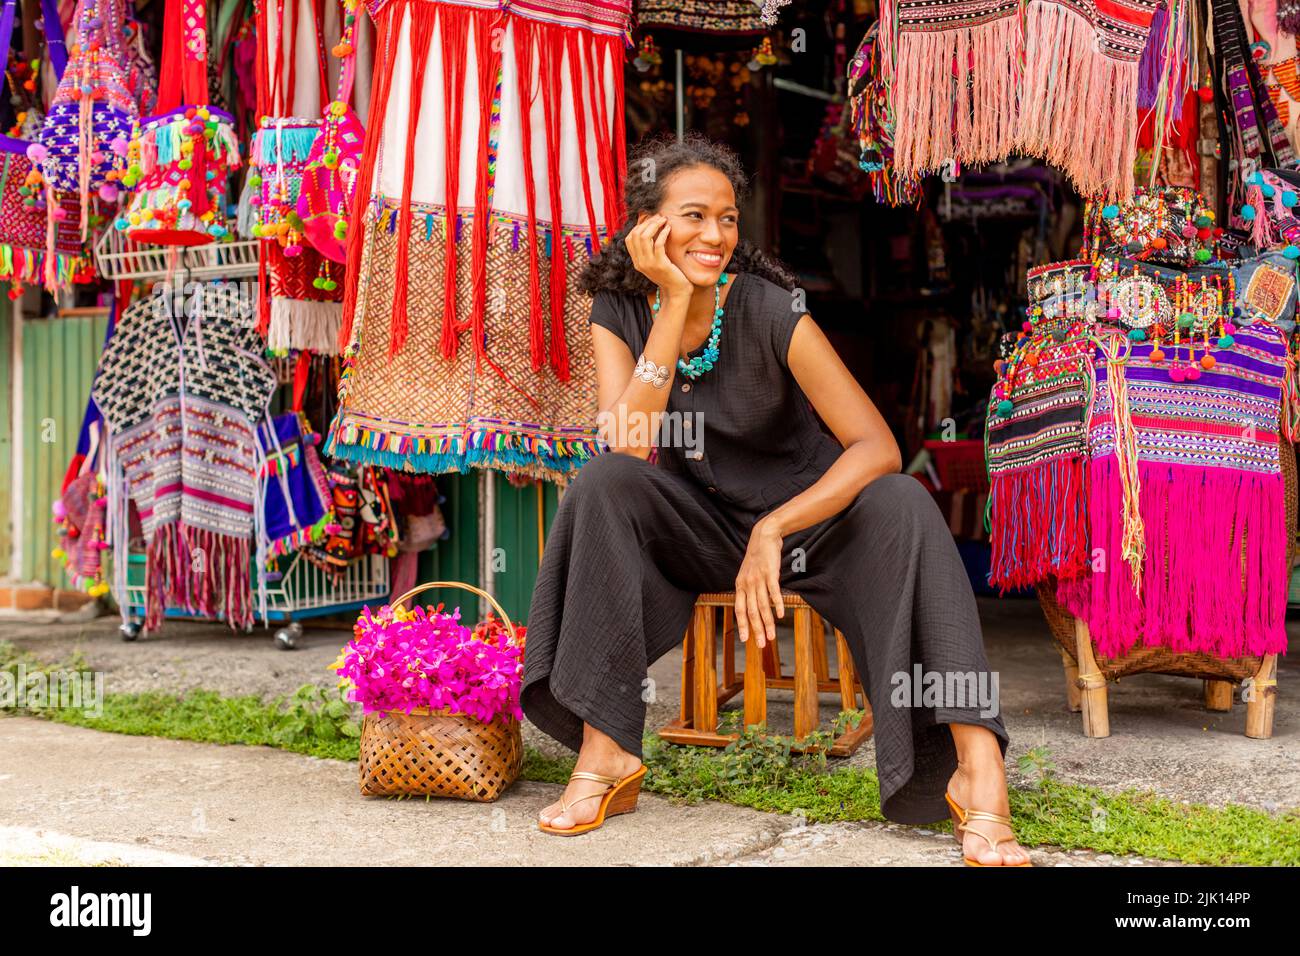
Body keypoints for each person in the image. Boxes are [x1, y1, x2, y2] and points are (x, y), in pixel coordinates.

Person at [519, 133, 1031, 865]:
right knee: (604, 484)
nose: (715, 235)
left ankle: (978, 773)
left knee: (905, 503)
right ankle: (607, 754)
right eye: (694, 216)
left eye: (727, 219)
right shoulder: (618, 308)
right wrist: (671, 301)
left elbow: (876, 445)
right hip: (701, 529)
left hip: (813, 524)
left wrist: (776, 527)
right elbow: (629, 441)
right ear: (647, 226)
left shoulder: (767, 308)